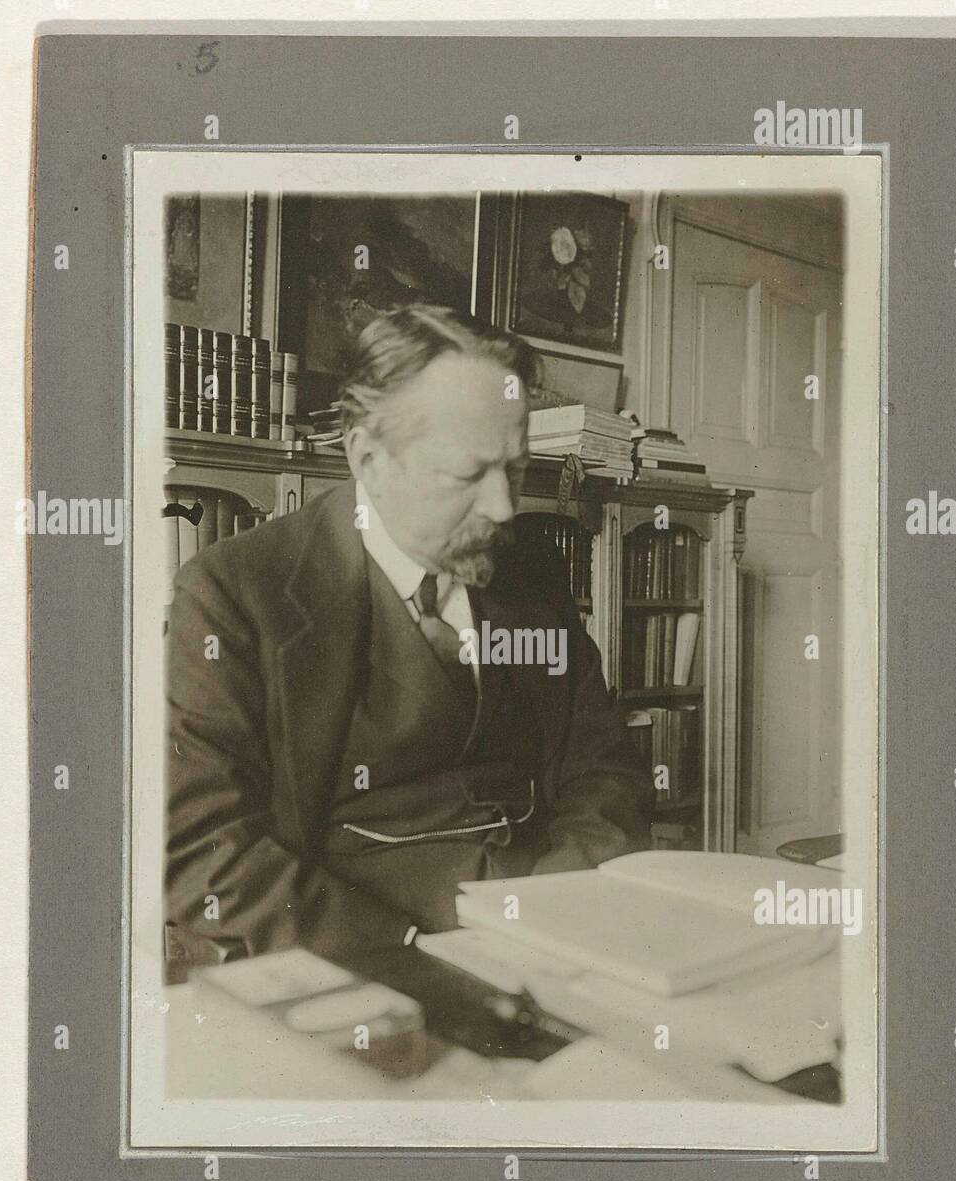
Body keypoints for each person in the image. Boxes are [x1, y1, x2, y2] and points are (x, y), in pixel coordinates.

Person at [165, 304, 653, 982]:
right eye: (466, 475)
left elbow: (605, 769)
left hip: (554, 936)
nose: (504, 509)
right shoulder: (234, 594)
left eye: (514, 469)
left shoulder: (531, 573)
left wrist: (556, 908)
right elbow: (201, 851)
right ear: (369, 459)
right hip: (364, 957)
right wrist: (412, 955)